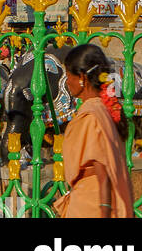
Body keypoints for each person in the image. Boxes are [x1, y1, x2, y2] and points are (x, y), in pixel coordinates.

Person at [54, 44, 134, 219]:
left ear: (82, 77)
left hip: (91, 203)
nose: (67, 81)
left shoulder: (91, 115)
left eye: (68, 75)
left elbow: (102, 169)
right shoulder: (102, 109)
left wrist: (104, 209)